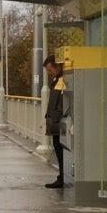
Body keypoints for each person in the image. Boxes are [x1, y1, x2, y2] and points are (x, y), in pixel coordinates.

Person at [43, 55, 66, 189]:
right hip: (56, 122)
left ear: (57, 67)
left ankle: (63, 177)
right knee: (58, 150)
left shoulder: (62, 81)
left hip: (59, 123)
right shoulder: (57, 80)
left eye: (50, 70)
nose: (50, 73)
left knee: (61, 151)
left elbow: (61, 104)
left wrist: (55, 118)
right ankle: (62, 177)